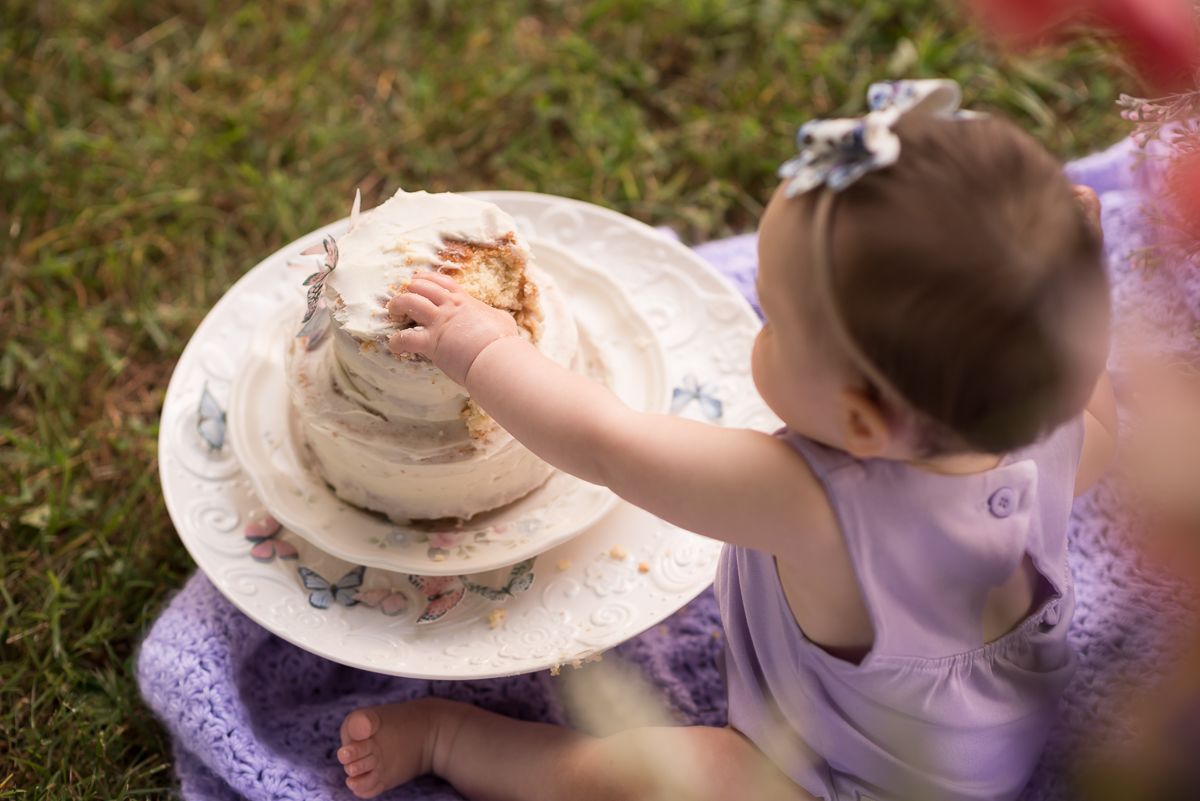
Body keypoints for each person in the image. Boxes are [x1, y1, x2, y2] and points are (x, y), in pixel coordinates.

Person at [334, 80, 1117, 801]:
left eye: (772, 319)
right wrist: (1074, 273)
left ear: (861, 423)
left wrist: (482, 350)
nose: (758, 320)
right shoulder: (1059, 420)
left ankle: (456, 738)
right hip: (1001, 730)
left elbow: (606, 443)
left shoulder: (815, 505)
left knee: (667, 775)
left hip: (847, 779)